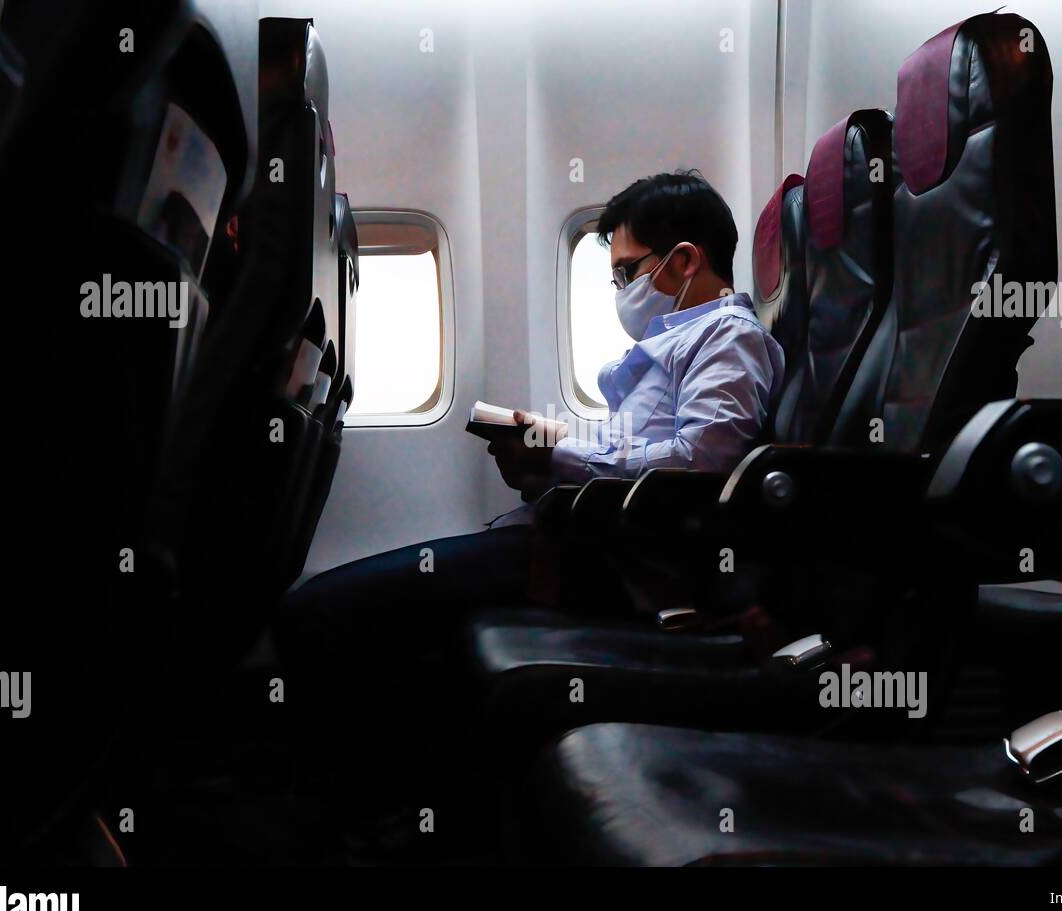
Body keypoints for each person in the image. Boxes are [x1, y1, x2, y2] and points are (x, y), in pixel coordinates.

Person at [273, 171, 784, 838]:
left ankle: (379, 821)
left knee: (318, 614)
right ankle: (419, 809)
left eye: (628, 272)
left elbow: (700, 465)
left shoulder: (729, 339)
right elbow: (638, 450)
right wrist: (541, 453)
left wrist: (556, 451)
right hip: (579, 541)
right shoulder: (675, 345)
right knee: (346, 612)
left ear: (687, 260)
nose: (621, 293)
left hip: (621, 566)